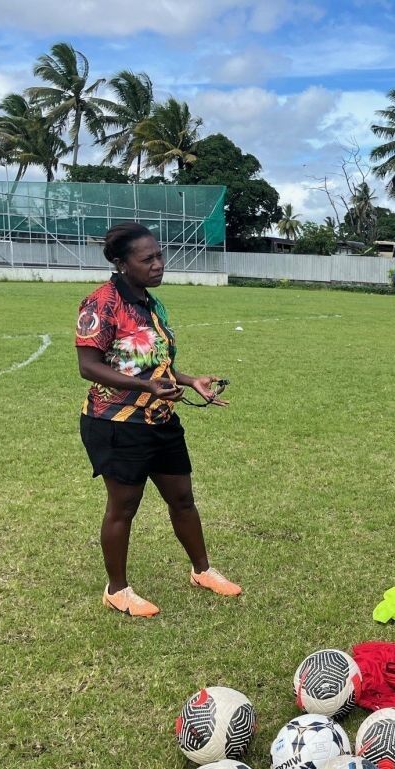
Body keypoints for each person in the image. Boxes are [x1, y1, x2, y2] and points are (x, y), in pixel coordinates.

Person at [76, 222, 241, 618]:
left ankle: (202, 570)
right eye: (146, 258)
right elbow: (88, 366)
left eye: (159, 256)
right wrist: (149, 387)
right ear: (120, 263)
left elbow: (154, 363)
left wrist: (189, 380)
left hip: (161, 420)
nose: (158, 264)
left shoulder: (151, 304)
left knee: (182, 499)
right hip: (115, 422)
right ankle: (117, 590)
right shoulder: (100, 303)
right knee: (123, 507)